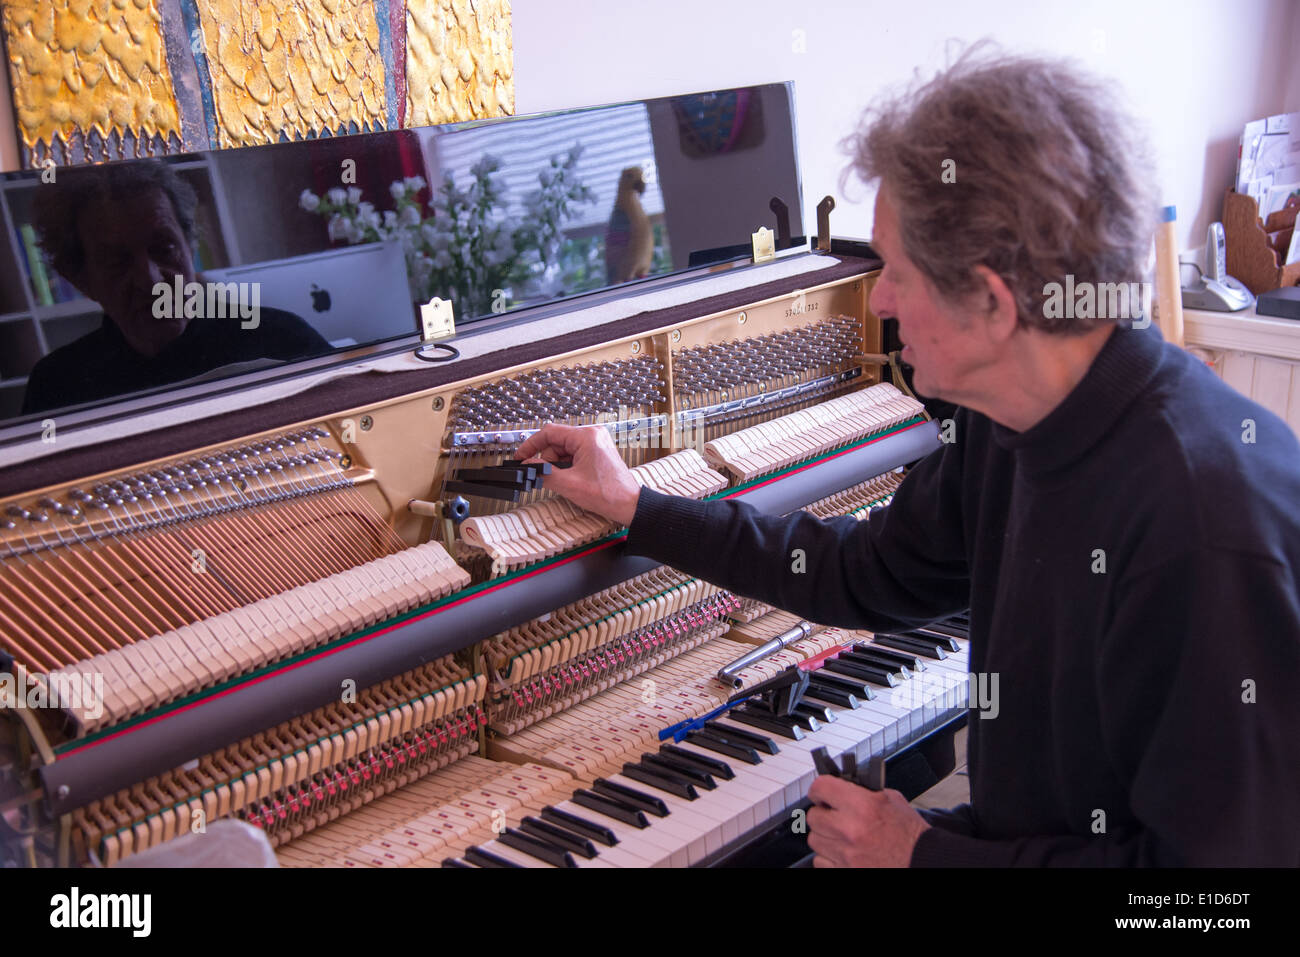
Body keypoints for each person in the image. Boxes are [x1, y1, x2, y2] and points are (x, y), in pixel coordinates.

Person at [516, 51, 1300, 866]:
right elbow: (864, 572)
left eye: (895, 270)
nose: (878, 301)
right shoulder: (1014, 424)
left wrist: (922, 854)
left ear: (993, 304)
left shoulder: (1207, 526)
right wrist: (639, 507)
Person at [22, 161, 330, 415]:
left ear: (190, 244)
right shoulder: (57, 386)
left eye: (164, 248)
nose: (151, 280)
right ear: (79, 278)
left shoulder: (281, 337)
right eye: (117, 260)